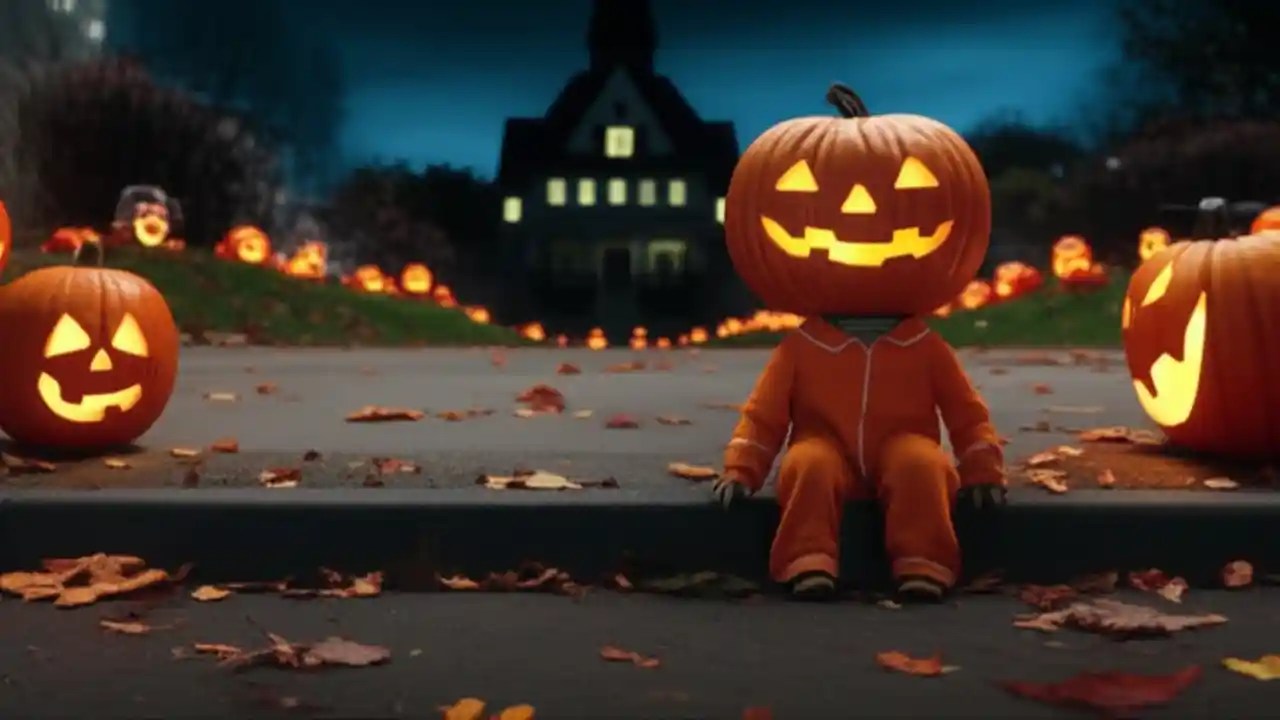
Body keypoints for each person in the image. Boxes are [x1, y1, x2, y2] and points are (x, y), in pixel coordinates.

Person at [710, 83, 1007, 603]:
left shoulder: (924, 348)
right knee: (808, 465)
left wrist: (981, 467)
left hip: (902, 444)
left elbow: (966, 413)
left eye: (907, 184)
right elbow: (764, 416)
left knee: (924, 465)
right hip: (825, 444)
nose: (859, 207)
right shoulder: (802, 350)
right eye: (805, 190)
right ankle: (808, 558)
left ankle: (924, 561)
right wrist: (742, 468)